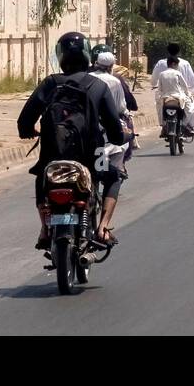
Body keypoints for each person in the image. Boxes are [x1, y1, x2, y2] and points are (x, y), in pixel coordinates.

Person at [17, 32, 124, 249]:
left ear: (61, 56)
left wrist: (29, 131)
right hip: (93, 155)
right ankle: (102, 228)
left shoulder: (50, 84)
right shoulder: (98, 86)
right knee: (114, 177)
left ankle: (45, 228)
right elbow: (114, 129)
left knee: (42, 179)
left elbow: (25, 120)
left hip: (53, 154)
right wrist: (119, 137)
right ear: (86, 55)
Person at [90, 50, 135, 242]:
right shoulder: (114, 82)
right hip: (102, 142)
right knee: (113, 176)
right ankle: (103, 227)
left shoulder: (81, 80)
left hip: (77, 146)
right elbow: (119, 109)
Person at [153, 55, 194, 141]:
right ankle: (185, 126)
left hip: (165, 97)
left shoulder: (162, 74)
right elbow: (185, 87)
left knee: (159, 109)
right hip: (178, 96)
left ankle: (163, 126)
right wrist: (189, 95)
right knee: (190, 109)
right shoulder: (177, 73)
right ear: (173, 64)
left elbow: (160, 88)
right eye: (177, 65)